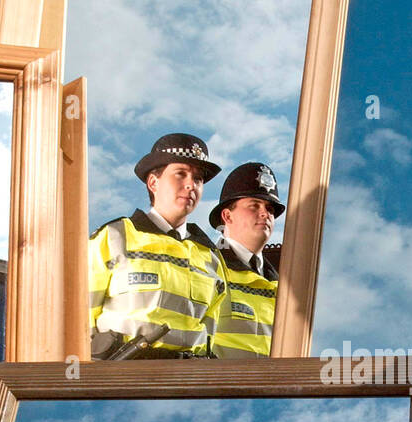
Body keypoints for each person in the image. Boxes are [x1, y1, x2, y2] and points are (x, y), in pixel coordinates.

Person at [89, 132, 226, 358]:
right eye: (181, 174)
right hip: (122, 379)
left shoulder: (210, 258)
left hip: (191, 384)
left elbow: (211, 334)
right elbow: (77, 323)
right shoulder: (113, 238)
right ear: (153, 182)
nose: (191, 185)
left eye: (198, 179)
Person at [209, 162, 285, 357]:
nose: (265, 214)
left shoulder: (284, 282)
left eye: (270, 208)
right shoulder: (206, 265)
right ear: (227, 215)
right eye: (254, 205)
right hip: (217, 385)